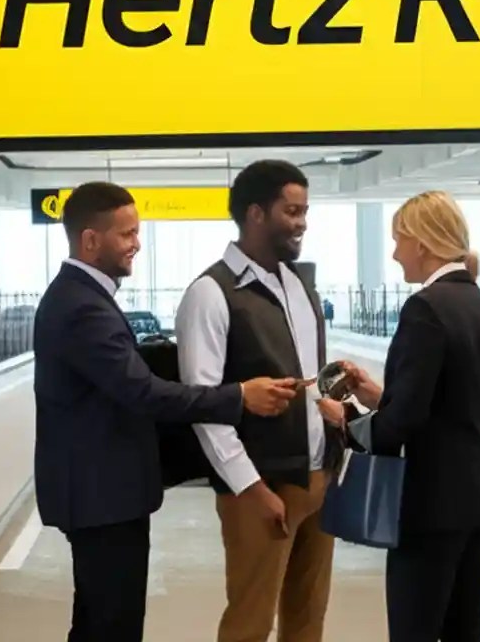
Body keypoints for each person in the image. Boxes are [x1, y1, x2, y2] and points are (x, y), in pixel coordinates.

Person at [32, 181, 298, 642]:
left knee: (97, 619)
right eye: (127, 234)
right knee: (113, 624)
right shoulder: (82, 307)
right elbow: (143, 394)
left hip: (100, 495)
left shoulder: (83, 297)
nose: (137, 244)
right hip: (101, 498)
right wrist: (237, 396)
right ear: (90, 240)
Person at [174, 160, 347, 642]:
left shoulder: (298, 286)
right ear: (255, 213)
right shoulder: (210, 294)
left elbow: (312, 382)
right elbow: (204, 407)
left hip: (317, 477)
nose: (302, 222)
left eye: (305, 211)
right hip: (260, 487)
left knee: (309, 617)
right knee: (250, 623)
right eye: (291, 211)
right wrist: (251, 489)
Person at [338, 190, 480, 642]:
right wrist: (381, 395)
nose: (394, 254)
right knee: (465, 631)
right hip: (479, 495)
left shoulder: (425, 309)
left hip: (432, 502)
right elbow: (446, 402)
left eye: (398, 241)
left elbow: (404, 423)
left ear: (422, 243)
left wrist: (344, 418)